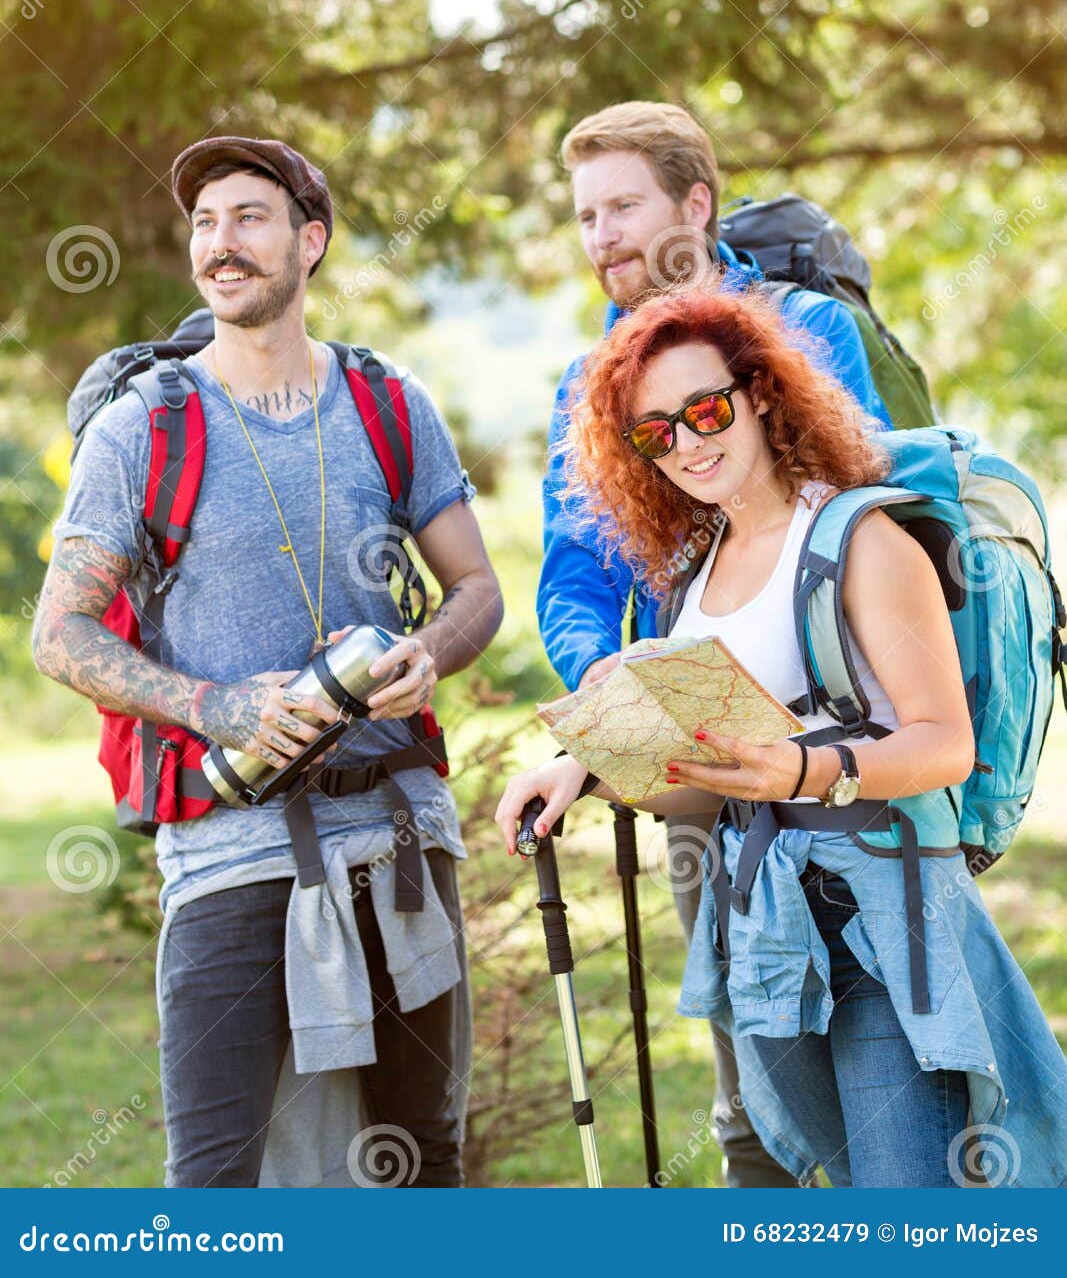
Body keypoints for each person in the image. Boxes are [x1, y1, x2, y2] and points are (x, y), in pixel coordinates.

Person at [499, 284, 1067, 1188]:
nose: (687, 443)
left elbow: (941, 744)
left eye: (706, 408)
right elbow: (710, 782)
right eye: (656, 432)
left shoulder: (862, 539)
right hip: (768, 931)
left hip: (887, 927)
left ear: (761, 393)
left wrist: (802, 768)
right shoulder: (694, 577)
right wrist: (591, 770)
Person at [34, 135, 503, 1188]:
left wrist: (427, 653)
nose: (220, 242)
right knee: (214, 1178)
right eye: (203, 223)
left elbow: (478, 588)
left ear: (311, 240)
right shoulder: (140, 429)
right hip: (229, 854)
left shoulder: (390, 403)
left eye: (248, 216)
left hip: (400, 838)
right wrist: (215, 704)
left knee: (422, 1168)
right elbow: (58, 632)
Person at [537, 99, 890, 1187]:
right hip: (696, 769)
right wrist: (610, 689)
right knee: (753, 1103)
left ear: (694, 204)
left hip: (853, 769)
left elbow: (862, 514)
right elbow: (572, 570)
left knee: (886, 1075)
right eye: (585, 214)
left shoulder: (806, 331)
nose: (599, 234)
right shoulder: (587, 386)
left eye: (623, 205)